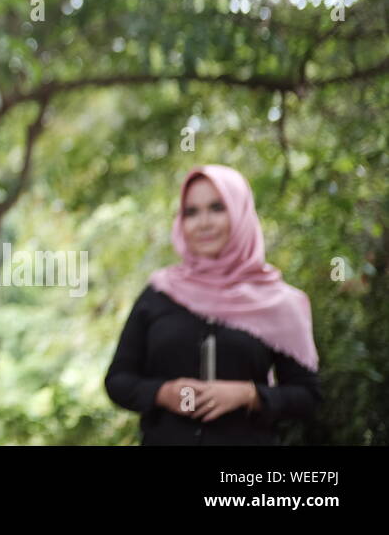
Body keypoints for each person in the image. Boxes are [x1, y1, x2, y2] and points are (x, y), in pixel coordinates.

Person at [103, 164, 321, 444]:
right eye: (191, 212)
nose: (203, 222)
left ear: (241, 213)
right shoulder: (159, 294)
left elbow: (308, 396)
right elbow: (118, 380)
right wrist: (163, 393)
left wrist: (249, 395)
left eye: (217, 208)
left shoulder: (279, 301)